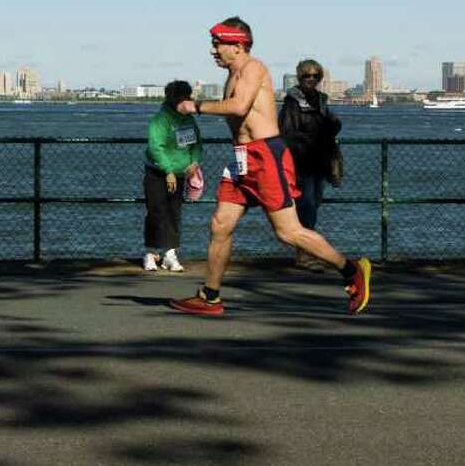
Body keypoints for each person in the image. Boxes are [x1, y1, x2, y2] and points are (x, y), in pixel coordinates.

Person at [168, 17, 371, 317]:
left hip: (266, 157)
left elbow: (238, 107)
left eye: (217, 44)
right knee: (220, 224)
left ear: (237, 45)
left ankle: (351, 270)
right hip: (241, 159)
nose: (213, 50)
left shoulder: (254, 68)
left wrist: (194, 106)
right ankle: (210, 297)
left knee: (288, 232)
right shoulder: (232, 74)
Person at [280, 59, 342, 271]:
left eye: (316, 76)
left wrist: (333, 125)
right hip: (302, 162)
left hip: (319, 161)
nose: (311, 79)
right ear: (299, 76)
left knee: (314, 205)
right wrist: (312, 137)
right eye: (307, 75)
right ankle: (303, 254)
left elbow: (330, 123)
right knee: (306, 207)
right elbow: (287, 132)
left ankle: (308, 252)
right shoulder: (292, 101)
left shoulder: (321, 100)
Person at [142, 80, 201, 272]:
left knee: (174, 213)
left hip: (181, 173)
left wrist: (194, 162)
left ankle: (170, 253)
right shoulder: (160, 120)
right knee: (156, 211)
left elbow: (197, 144)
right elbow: (155, 147)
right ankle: (150, 252)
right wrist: (168, 171)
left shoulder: (189, 120)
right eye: (185, 97)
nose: (189, 101)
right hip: (157, 173)